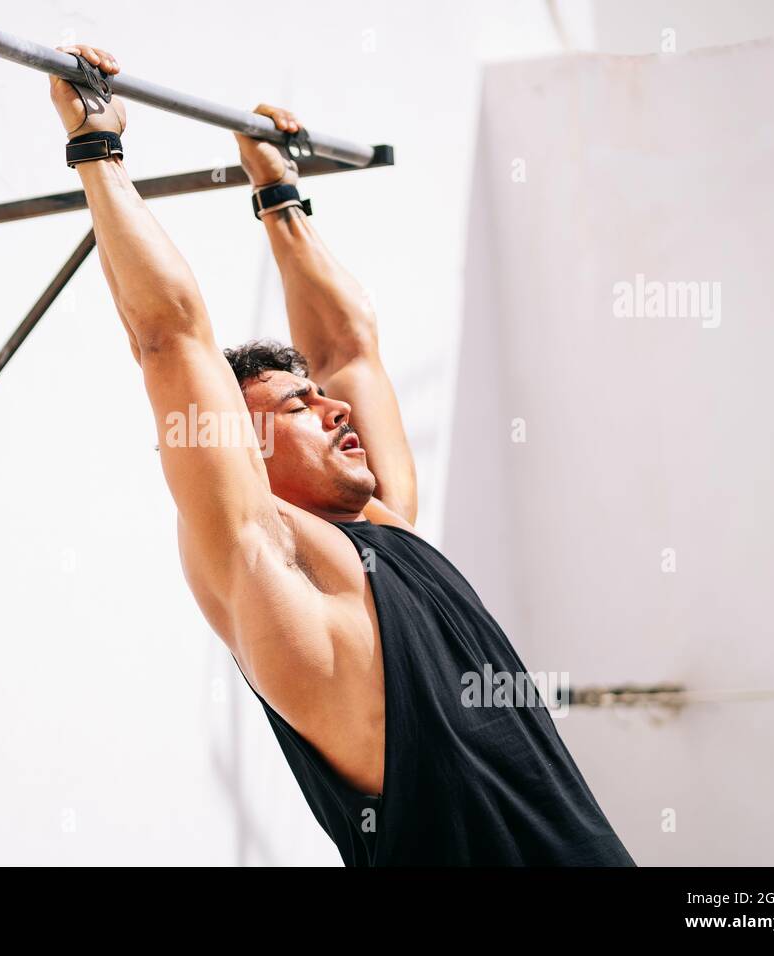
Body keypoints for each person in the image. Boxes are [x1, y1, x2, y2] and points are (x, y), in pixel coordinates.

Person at [49, 43, 635, 866]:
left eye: (317, 394)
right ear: (241, 452)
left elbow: (350, 344)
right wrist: (98, 151)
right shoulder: (268, 565)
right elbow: (168, 337)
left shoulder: (382, 519)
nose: (331, 406)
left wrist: (278, 192)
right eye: (298, 405)